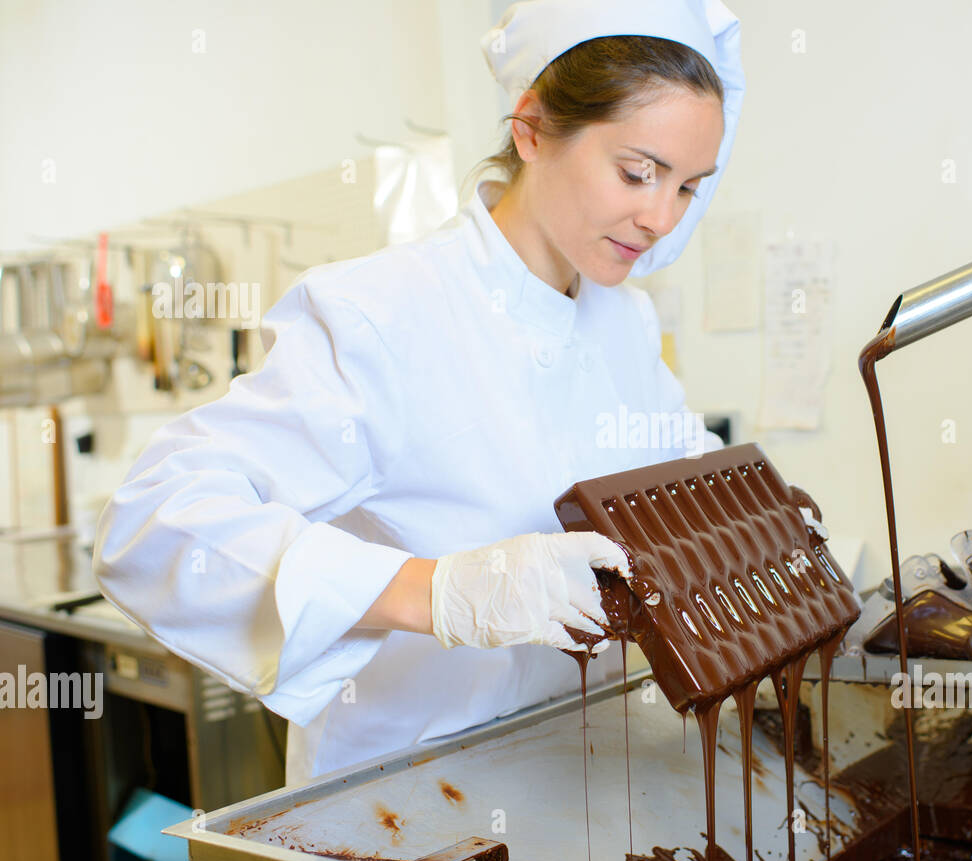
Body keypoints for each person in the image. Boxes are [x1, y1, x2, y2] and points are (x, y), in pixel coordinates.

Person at [93, 0, 747, 787]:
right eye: (638, 173)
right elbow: (153, 522)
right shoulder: (380, 314)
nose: (660, 219)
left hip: (587, 786)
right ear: (531, 128)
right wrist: (436, 591)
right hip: (405, 803)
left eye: (687, 188)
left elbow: (680, 477)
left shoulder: (626, 322)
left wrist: (762, 526)